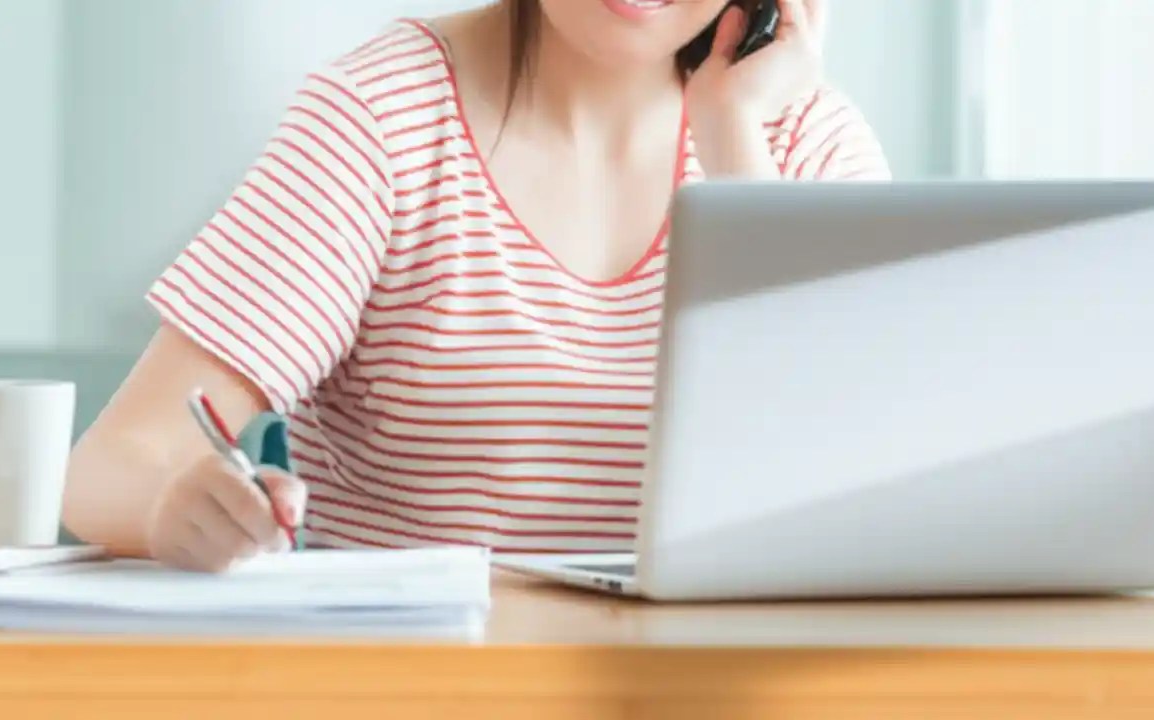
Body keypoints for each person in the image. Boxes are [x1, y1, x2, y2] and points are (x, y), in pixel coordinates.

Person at [62, 0, 890, 571]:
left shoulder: (803, 140)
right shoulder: (383, 118)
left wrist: (736, 140)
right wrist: (176, 507)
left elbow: (865, 494)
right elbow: (108, 467)